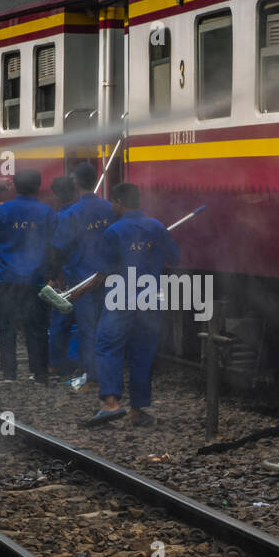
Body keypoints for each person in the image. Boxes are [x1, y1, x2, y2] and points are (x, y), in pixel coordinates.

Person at [86, 183, 179, 427]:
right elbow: (174, 258)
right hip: (151, 298)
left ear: (118, 202)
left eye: (113, 203)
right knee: (143, 352)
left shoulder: (114, 231)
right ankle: (138, 410)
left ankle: (111, 404)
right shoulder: (157, 227)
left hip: (121, 298)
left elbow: (103, 271)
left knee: (108, 346)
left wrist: (78, 292)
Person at [0, 169, 55, 383]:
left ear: (14, 185)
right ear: (39, 186)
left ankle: (9, 373)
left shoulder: (2, 211)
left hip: (7, 277)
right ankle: (39, 373)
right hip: (37, 279)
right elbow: (54, 243)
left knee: (7, 326)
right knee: (38, 327)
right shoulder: (48, 212)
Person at [51, 161, 115, 391]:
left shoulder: (73, 213)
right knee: (107, 327)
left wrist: (55, 274)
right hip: (107, 277)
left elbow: (58, 246)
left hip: (81, 280)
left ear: (76, 182)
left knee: (88, 330)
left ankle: (93, 378)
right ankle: (108, 375)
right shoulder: (110, 208)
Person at [47, 175, 79, 378]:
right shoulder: (80, 214)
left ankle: (55, 365)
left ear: (56, 196)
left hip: (64, 275)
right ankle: (79, 362)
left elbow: (55, 250)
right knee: (82, 322)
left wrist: (54, 276)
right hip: (84, 274)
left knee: (59, 320)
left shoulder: (58, 218)